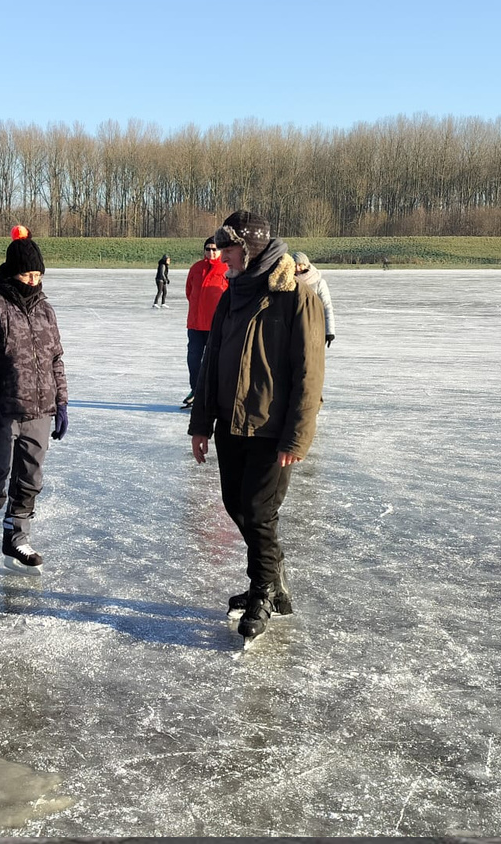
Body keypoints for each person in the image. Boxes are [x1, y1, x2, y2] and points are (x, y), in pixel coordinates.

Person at [189, 210, 325, 643]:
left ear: (249, 248)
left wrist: (297, 436)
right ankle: (270, 579)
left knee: (259, 512)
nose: (222, 255)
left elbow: (309, 374)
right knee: (236, 504)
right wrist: (201, 423)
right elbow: (211, 362)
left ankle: (264, 591)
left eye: (228, 247)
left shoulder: (296, 297)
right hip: (230, 424)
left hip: (271, 428)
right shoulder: (232, 294)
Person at [0, 231, 69, 592]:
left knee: (30, 479)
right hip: (2, 410)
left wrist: (62, 402)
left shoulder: (45, 308)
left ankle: (16, 539)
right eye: (27, 274)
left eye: (38, 275)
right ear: (11, 271)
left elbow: (55, 359)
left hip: (39, 409)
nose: (33, 281)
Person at [183, 236, 228, 408]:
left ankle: (214, 395)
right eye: (208, 249)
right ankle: (196, 390)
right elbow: (189, 292)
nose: (211, 252)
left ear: (220, 251)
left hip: (215, 325)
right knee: (193, 359)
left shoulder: (226, 269)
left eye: (214, 249)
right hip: (195, 324)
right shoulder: (196, 268)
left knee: (214, 361)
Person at [291, 252, 336, 348]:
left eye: (300, 265)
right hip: (293, 330)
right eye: (294, 265)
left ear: (306, 265)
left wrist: (329, 332)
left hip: (314, 328)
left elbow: (327, 306)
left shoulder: (319, 283)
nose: (297, 268)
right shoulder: (289, 283)